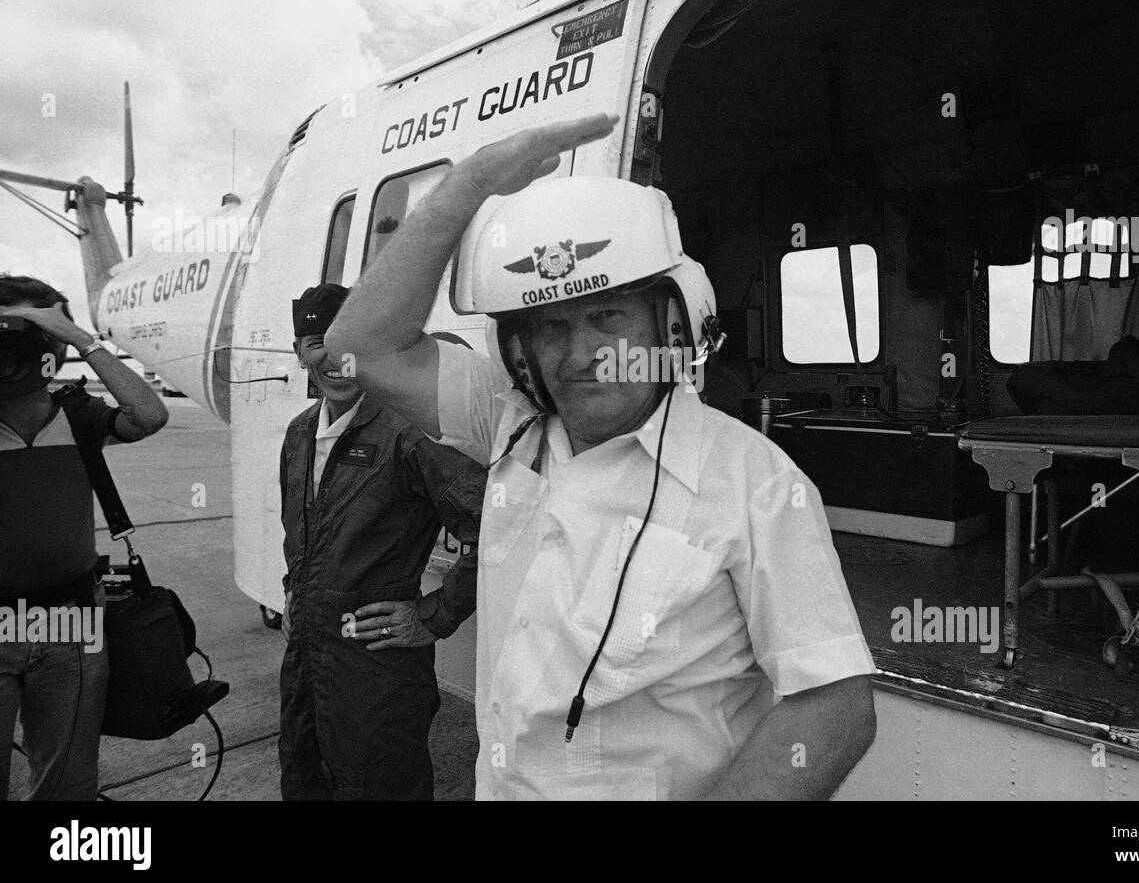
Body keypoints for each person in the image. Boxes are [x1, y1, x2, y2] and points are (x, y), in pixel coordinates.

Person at [326, 115, 879, 800]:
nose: (580, 352)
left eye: (608, 316)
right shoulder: (510, 423)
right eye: (551, 326)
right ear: (522, 350)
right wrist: (471, 182)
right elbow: (362, 345)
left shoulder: (755, 481)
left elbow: (836, 707)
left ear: (669, 325)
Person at [278, 283, 485, 801]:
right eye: (315, 341)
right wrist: (293, 593)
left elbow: (498, 529)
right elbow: (298, 536)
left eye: (346, 340)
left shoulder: (407, 432)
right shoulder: (299, 434)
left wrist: (434, 615)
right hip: (305, 655)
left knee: (382, 787)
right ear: (299, 352)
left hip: (376, 667)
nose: (334, 357)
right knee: (304, 780)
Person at [0, 275, 168, 800]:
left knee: (69, 784)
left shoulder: (76, 413)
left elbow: (149, 414)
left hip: (69, 619)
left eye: (31, 333)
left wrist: (81, 339)